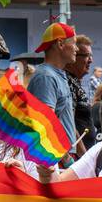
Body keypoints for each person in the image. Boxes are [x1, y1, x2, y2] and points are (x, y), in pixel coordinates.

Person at [27, 22, 78, 150]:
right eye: (74, 43)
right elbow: (44, 126)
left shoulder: (56, 75)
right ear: (60, 44)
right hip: (57, 159)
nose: (76, 49)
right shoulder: (46, 77)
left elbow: (67, 123)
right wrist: (67, 161)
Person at [65, 33, 95, 154]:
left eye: (91, 55)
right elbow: (69, 123)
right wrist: (84, 158)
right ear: (73, 56)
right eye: (87, 55)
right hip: (76, 158)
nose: (91, 60)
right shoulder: (68, 82)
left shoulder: (74, 81)